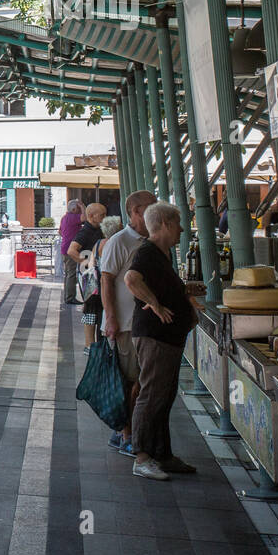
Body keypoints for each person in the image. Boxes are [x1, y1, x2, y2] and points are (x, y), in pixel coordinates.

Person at [125, 201, 198, 481]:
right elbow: (131, 279)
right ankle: (142, 457)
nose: (182, 229)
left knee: (164, 396)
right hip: (155, 336)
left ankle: (162, 454)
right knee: (152, 394)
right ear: (165, 224)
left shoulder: (162, 254)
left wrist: (182, 292)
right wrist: (154, 303)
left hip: (168, 336)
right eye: (178, 223)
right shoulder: (148, 252)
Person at [98, 190, 159, 457]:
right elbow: (106, 280)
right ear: (136, 212)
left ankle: (125, 432)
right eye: (151, 208)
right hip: (124, 324)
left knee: (138, 382)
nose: (155, 213)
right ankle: (127, 435)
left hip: (140, 323)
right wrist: (111, 318)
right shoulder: (120, 241)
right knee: (128, 381)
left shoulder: (150, 241)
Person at [81, 214, 121, 352]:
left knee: (90, 315)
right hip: (108, 286)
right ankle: (106, 347)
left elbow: (91, 266)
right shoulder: (116, 244)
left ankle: (89, 345)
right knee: (105, 316)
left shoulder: (98, 243)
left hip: (94, 288)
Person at [65, 202, 106, 306]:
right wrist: (88, 263)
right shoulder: (85, 231)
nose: (105, 217)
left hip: (95, 273)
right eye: (102, 215)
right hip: (89, 275)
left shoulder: (97, 229)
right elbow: (71, 250)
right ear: (91, 216)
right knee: (91, 309)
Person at [59, 199, 84, 303]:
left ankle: (67, 296)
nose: (79, 211)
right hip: (70, 249)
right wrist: (82, 206)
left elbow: (60, 231)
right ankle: (70, 298)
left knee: (68, 273)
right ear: (74, 209)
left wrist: (68, 235)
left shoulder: (64, 218)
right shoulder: (72, 217)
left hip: (64, 248)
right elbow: (85, 218)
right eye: (78, 209)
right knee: (71, 274)